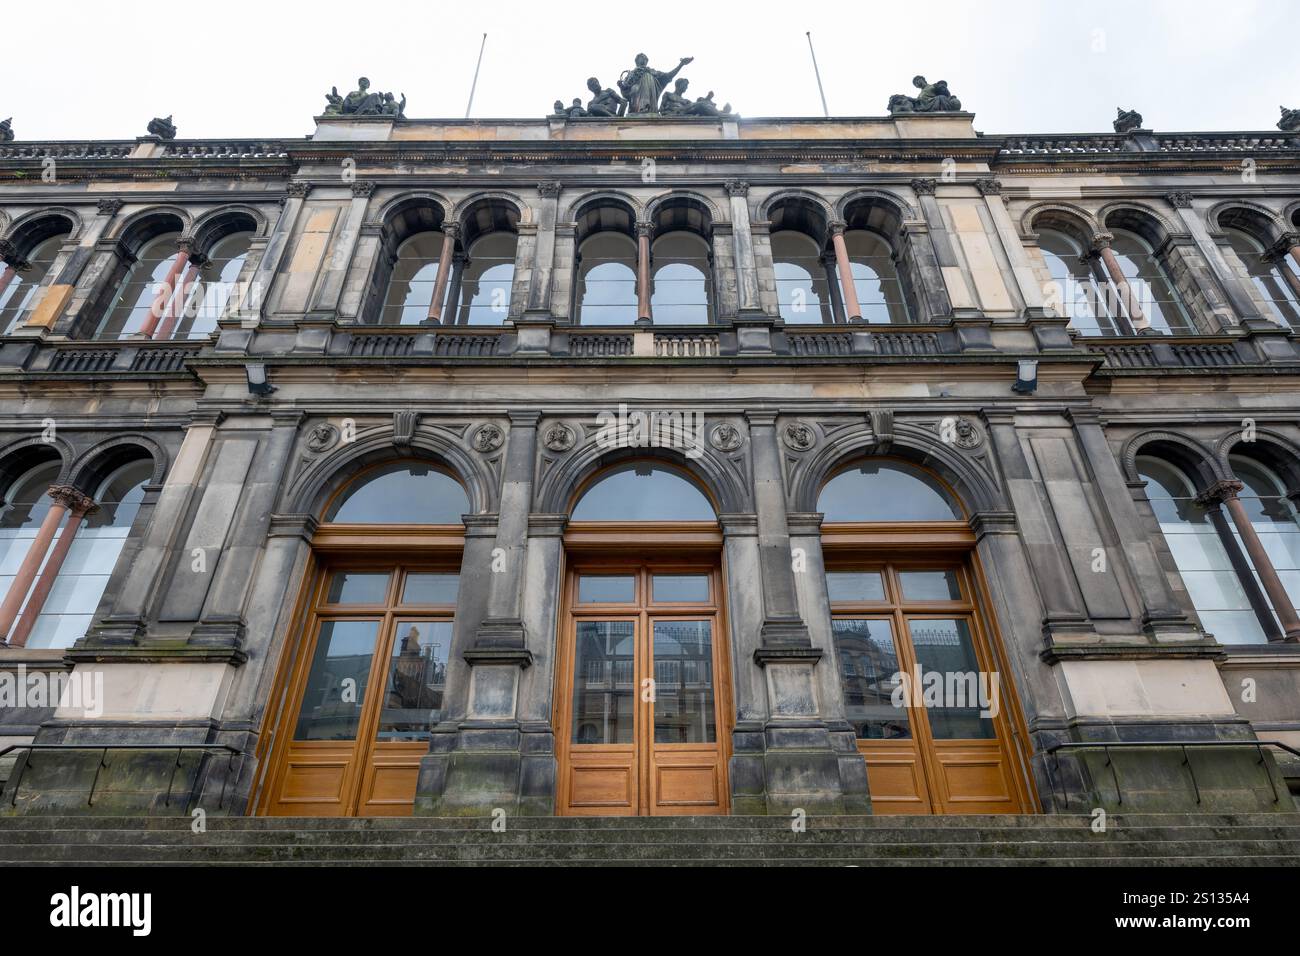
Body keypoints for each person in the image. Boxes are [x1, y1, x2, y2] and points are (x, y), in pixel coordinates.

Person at [618, 53, 693, 115]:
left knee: (647, 76)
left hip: (651, 102)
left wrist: (681, 64)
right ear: (636, 61)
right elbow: (625, 93)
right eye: (641, 58)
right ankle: (641, 108)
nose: (643, 60)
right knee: (636, 86)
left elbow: (668, 76)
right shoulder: (630, 74)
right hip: (635, 103)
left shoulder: (652, 72)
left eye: (645, 59)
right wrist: (621, 86)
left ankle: (646, 107)